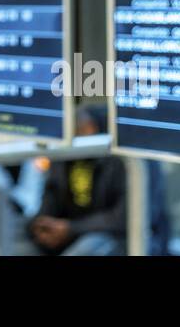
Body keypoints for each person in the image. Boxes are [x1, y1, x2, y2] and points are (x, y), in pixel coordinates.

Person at [25, 104, 127, 256]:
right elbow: (50, 198)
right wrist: (41, 225)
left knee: (88, 247)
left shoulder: (122, 160)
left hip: (110, 235)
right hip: (69, 230)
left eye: (84, 129)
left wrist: (71, 228)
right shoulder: (62, 155)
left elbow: (122, 219)